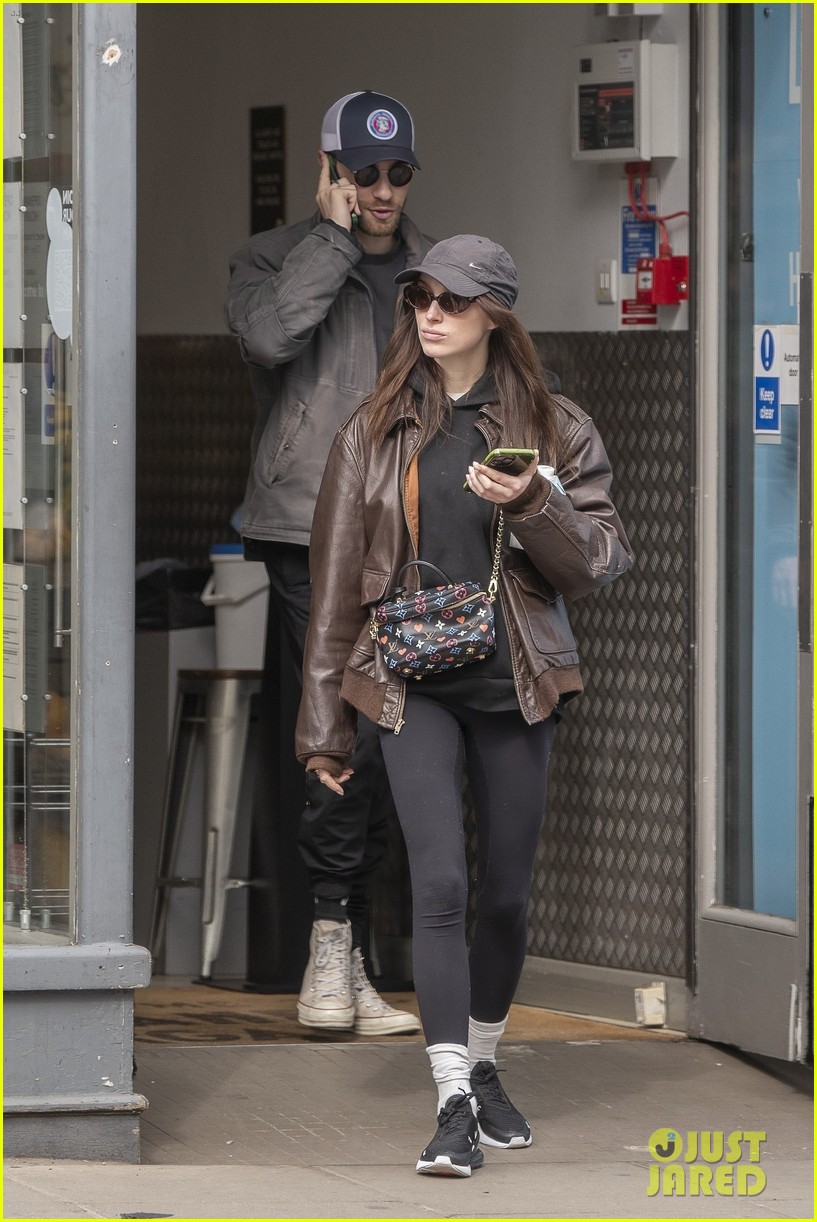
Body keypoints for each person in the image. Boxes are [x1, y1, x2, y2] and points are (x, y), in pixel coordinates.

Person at [296, 235, 633, 1175]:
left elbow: (600, 558)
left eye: (451, 298)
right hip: (407, 682)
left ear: (495, 312)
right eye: (418, 295)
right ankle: (449, 1098)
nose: (430, 312)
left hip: (515, 681)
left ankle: (484, 1068)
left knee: (505, 896)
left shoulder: (554, 425)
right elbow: (331, 587)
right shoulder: (371, 429)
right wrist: (323, 723)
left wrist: (533, 504)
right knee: (438, 885)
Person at [225, 91, 433, 1034]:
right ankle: (326, 949)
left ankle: (349, 949)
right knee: (335, 729)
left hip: (407, 539)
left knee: (386, 736)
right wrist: (334, 237)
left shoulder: (432, 276)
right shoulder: (274, 258)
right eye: (363, 172)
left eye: (396, 173)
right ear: (330, 172)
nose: (381, 190)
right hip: (306, 527)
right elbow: (269, 338)